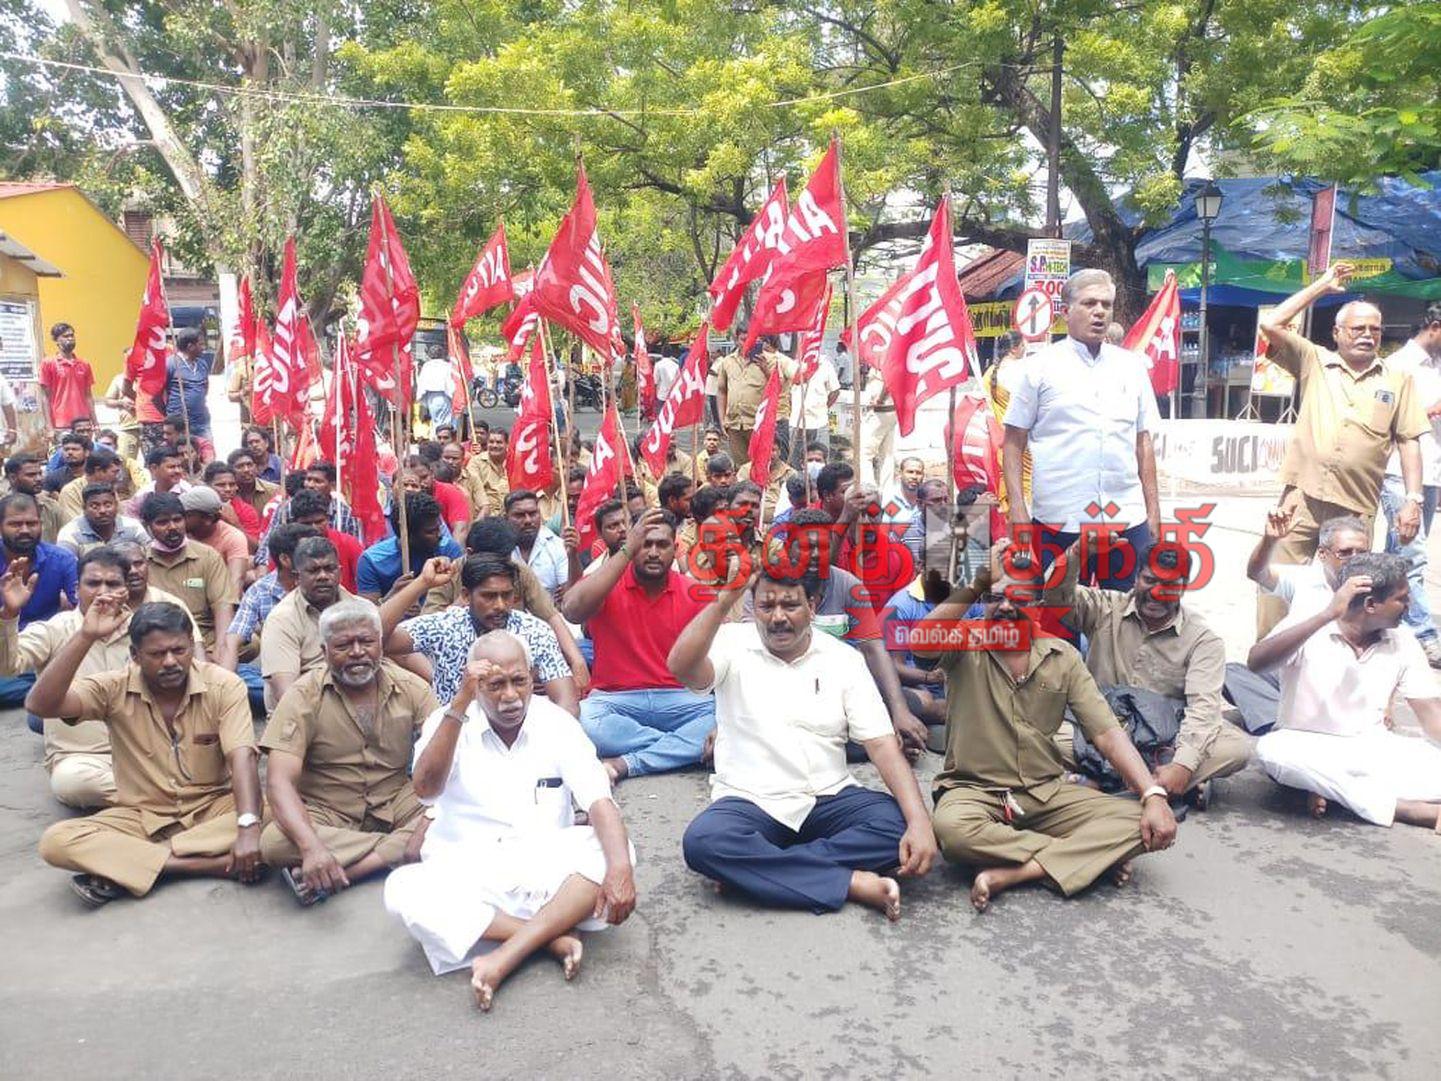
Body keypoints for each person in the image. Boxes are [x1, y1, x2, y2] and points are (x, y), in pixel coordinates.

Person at [918, 544, 1178, 912]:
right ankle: (1083, 858)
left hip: (1046, 792)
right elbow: (920, 643)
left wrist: (1152, 795)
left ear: (1039, 604)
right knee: (951, 831)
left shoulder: (1063, 656)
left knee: (1145, 821)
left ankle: (1018, 870)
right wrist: (976, 582)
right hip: (974, 790)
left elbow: (1106, 733)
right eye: (995, 597)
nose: (1006, 607)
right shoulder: (965, 642)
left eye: (1019, 598)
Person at [384, 632, 637, 1007]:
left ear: (532, 677)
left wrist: (619, 870)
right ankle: (547, 938)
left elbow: (599, 801)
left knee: (618, 851)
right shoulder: (449, 720)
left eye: (518, 681)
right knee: (403, 891)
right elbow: (425, 790)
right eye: (495, 684)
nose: (509, 696)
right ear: (474, 684)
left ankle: (506, 951)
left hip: (546, 871)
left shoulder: (556, 723)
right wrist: (459, 704)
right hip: (472, 871)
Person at [670, 567, 938, 918]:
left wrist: (920, 823)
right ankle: (849, 882)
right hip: (750, 800)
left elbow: (883, 747)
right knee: (704, 843)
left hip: (826, 796)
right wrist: (724, 600)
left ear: (812, 606)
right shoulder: (731, 643)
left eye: (790, 605)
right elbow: (681, 666)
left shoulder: (844, 660)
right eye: (766, 606)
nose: (778, 617)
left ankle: (759, 872)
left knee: (899, 827)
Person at [27, 600, 261, 906]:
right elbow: (39, 706)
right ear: (135, 656)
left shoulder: (224, 685)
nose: (170, 662)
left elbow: (241, 755)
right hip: (141, 817)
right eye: (156, 654)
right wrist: (85, 637)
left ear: (191, 645)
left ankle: (134, 865)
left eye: (179, 650)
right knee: (55, 842)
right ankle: (202, 864)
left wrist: (246, 826)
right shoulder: (113, 687)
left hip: (212, 809)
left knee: (270, 815)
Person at [1255, 262, 1427, 634]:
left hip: (1355, 507)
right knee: (1275, 581)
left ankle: (1336, 663)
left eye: (1375, 330)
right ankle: (1268, 663)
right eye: (1358, 328)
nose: (1368, 335)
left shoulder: (1398, 380)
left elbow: (1409, 440)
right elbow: (1271, 324)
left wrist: (1414, 499)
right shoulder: (1315, 361)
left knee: (1351, 590)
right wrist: (1322, 286)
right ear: (1337, 333)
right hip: (1300, 500)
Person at [1048, 538, 1251, 805]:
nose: (1156, 593)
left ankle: (1101, 783)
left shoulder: (1203, 640)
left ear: (1184, 588)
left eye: (1168, 586)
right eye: (1149, 580)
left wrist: (1183, 765)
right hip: (1102, 732)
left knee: (1235, 748)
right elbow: (1054, 596)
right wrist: (1076, 553)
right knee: (1039, 734)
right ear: (1136, 578)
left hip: (1164, 739)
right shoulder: (1106, 607)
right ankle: (1162, 787)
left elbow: (1203, 709)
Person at [1247, 552, 1441, 828]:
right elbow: (1255, 663)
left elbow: (1432, 715)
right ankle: (1404, 809)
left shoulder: (1403, 640)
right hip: (1305, 745)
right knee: (1272, 751)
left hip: (1373, 750)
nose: (1409, 605)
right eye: (1402, 598)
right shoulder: (1310, 622)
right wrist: (1327, 614)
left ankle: (1331, 792)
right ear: (1371, 605)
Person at [260, 599, 434, 905]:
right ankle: (401, 850)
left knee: (452, 817)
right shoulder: (303, 695)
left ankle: (357, 868)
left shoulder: (412, 688)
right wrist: (312, 847)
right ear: (324, 652)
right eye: (343, 645)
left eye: (366, 642)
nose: (357, 652)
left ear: (381, 644)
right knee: (273, 842)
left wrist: (432, 817)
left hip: (396, 799)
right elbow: (278, 782)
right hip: (328, 807)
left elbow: (450, 763)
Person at [1002, 268, 1162, 590]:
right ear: (1066, 311)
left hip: (1125, 518)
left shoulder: (1131, 368)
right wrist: (1017, 509)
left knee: (1126, 623)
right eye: (1089, 303)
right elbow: (1013, 442)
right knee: (1058, 621)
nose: (1099, 312)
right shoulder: (1038, 368)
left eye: (1106, 304)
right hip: (1060, 520)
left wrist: (1153, 512)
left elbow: (1143, 442)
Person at [561, 508, 713, 781]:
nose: (653, 552)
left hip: (680, 699)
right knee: (585, 720)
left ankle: (628, 763)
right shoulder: (605, 582)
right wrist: (626, 551)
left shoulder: (695, 592)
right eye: (645, 544)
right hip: (614, 700)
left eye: (662, 545)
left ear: (674, 547)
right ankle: (680, 749)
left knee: (725, 718)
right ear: (632, 546)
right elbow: (571, 611)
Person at [380, 555, 578, 715]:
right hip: (455, 738)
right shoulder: (444, 626)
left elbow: (567, 703)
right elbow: (375, 639)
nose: (500, 605)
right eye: (489, 596)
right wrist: (422, 583)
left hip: (519, 737)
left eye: (506, 595)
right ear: (466, 596)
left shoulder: (535, 630)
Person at [1378, 302, 1441, 664]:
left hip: (1430, 470)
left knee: (1397, 556)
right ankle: (1423, 635)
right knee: (1412, 554)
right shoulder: (1399, 365)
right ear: (1434, 326)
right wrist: (1432, 409)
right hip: (1399, 472)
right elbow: (1389, 419)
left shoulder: (1436, 366)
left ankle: (1381, 619)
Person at [260, 536, 358, 708]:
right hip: (304, 714)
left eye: (329, 569)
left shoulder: (361, 609)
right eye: (313, 570)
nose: (323, 576)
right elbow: (286, 696)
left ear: (340, 572)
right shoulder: (281, 619)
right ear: (297, 577)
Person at [140, 492, 237, 655]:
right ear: (147, 526)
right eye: (162, 522)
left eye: (177, 520)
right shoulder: (140, 562)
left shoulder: (207, 555)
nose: (172, 527)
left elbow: (223, 606)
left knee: (248, 642)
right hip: (159, 638)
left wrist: (221, 650)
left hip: (205, 637)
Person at [1246, 510, 1370, 623]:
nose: (1355, 559)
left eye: (1362, 553)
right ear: (1322, 554)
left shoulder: (1375, 588)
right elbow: (1257, 574)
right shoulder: (1303, 579)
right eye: (1345, 553)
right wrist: (1269, 541)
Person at [356, 492, 462, 602]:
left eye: (438, 528)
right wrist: (393, 599)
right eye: (430, 532)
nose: (439, 535)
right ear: (407, 534)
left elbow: (462, 599)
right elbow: (367, 616)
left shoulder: (448, 549)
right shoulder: (372, 561)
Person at [0, 492, 77, 629]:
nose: (25, 530)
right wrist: (8, 613)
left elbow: (83, 604)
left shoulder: (62, 560)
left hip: (47, 641)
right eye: (15, 524)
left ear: (41, 524)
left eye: (32, 523)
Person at [716, 340, 795, 466]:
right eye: (742, 339)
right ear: (736, 339)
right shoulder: (727, 362)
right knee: (741, 467)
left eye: (752, 339)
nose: (747, 343)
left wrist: (765, 369)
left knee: (765, 465)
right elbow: (721, 391)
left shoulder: (771, 360)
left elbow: (779, 389)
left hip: (760, 424)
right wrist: (722, 420)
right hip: (736, 424)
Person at [286, 488, 362, 593]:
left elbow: (364, 584)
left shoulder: (349, 544)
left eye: (319, 521)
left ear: (328, 518)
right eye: (306, 523)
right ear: (294, 522)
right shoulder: (286, 548)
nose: (314, 528)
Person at [181, 487, 252, 596]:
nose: (180, 519)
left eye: (187, 515)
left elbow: (235, 584)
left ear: (207, 519)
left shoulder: (232, 537)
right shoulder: (179, 534)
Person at [505, 488, 570, 595]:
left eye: (532, 514)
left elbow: (567, 592)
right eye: (519, 515)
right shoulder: (498, 548)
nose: (528, 520)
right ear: (506, 517)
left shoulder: (557, 546)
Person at [56, 484, 149, 557]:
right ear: (84, 508)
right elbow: (66, 567)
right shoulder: (70, 533)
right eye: (94, 506)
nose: (102, 511)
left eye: (108, 505)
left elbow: (150, 554)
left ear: (116, 505)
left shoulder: (132, 526)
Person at [163, 328, 214, 461]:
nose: (203, 348)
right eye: (201, 344)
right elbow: (159, 392)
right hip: (179, 425)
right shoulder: (170, 364)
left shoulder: (202, 364)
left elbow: (205, 388)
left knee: (207, 456)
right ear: (190, 346)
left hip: (201, 422)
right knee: (181, 458)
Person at [38, 322, 95, 434]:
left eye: (72, 335)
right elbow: (45, 397)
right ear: (56, 340)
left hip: (83, 424)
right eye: (65, 336)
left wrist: (95, 424)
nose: (70, 339)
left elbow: (88, 396)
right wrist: (49, 427)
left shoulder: (84, 364)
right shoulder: (48, 363)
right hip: (60, 425)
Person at [788, 347, 839, 466]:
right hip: (797, 422)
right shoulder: (793, 366)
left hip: (819, 421)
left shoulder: (825, 365)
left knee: (821, 461)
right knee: (796, 462)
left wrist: (824, 408)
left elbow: (835, 391)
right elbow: (787, 393)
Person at [5, 453, 65, 544]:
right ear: (13, 478)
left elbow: (67, 536)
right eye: (31, 475)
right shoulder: (3, 508)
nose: (39, 479)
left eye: (40, 474)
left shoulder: (50, 506)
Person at [203, 461, 262, 546]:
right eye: (221, 485)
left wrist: (235, 524)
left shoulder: (246, 510)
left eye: (232, 484)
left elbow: (255, 548)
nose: (228, 489)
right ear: (207, 486)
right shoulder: (198, 509)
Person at [124, 444, 192, 517]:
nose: (178, 471)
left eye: (179, 466)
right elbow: (131, 518)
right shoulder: (143, 495)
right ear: (154, 468)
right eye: (171, 467)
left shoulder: (188, 493)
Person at [57, 449, 124, 521]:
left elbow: (119, 517)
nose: (118, 477)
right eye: (114, 472)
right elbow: (75, 523)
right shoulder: (71, 491)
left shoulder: (109, 489)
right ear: (98, 470)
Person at [462, 428, 510, 517]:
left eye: (499, 442)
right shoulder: (476, 462)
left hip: (510, 516)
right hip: (484, 516)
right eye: (491, 442)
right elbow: (474, 490)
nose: (494, 445)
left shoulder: (515, 462)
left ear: (507, 444)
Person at [229, 446, 280, 516]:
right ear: (231, 470)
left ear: (256, 467)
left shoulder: (274, 491)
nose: (246, 470)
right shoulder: (228, 493)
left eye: (249, 465)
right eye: (240, 466)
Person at [418, 345, 456, 430]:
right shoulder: (447, 365)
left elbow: (421, 385)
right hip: (444, 396)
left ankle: (439, 439)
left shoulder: (427, 366)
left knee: (436, 421)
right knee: (444, 422)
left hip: (431, 398)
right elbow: (451, 384)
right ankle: (442, 439)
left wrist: (422, 401)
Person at [883, 456, 926, 525]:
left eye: (918, 473)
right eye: (910, 472)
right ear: (900, 473)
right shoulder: (889, 498)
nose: (914, 477)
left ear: (923, 475)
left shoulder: (928, 500)